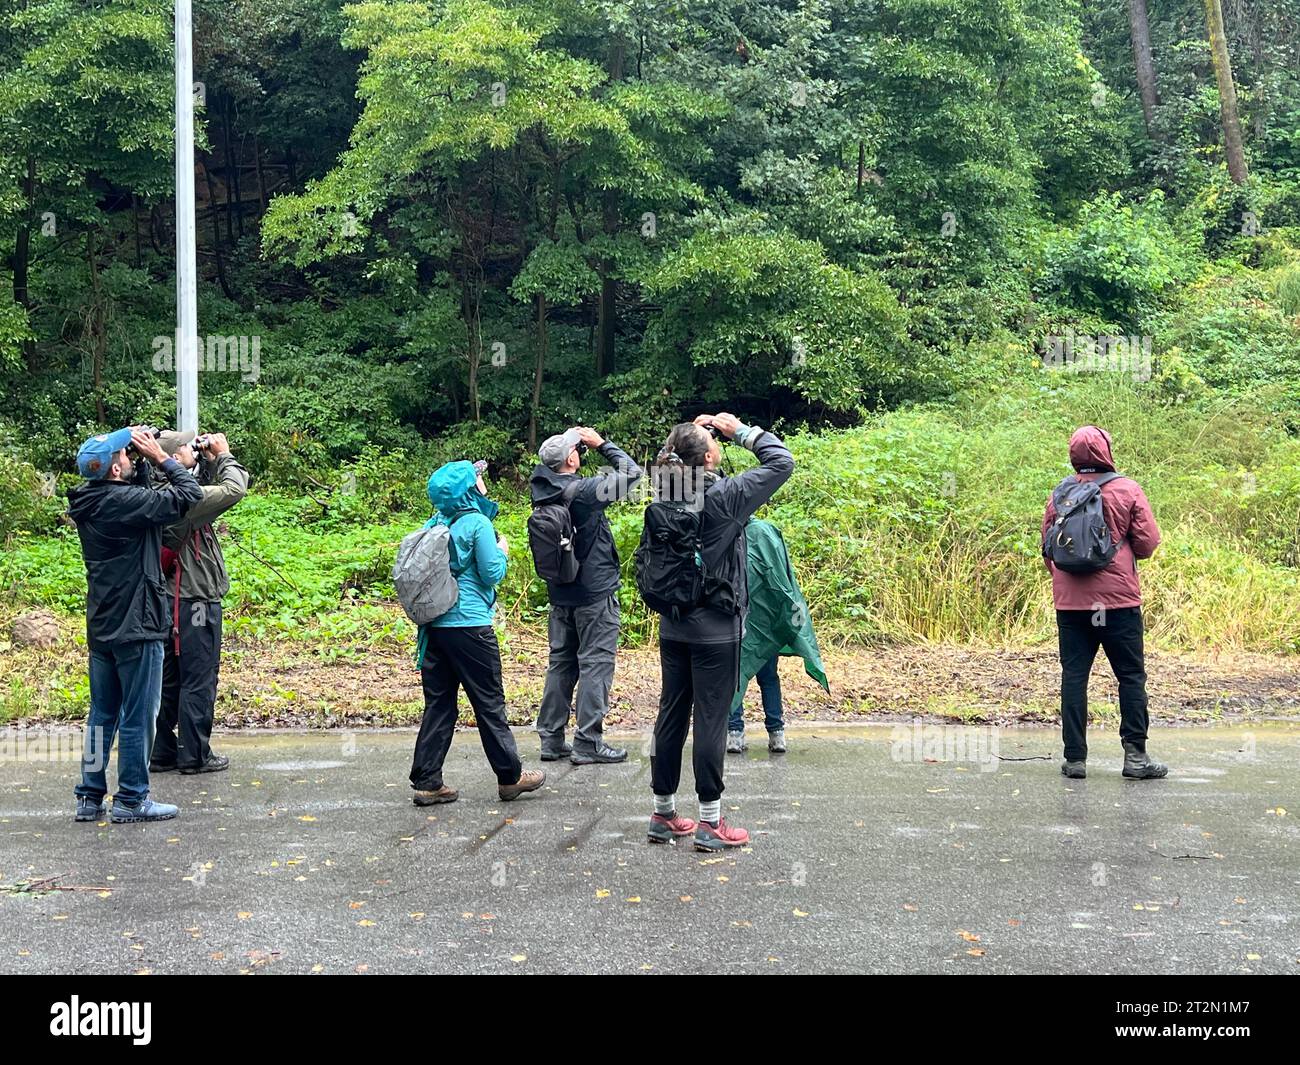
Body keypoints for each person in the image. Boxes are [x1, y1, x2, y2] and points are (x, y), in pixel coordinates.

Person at [642, 412, 794, 851]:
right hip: (716, 628)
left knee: (671, 712)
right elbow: (781, 461)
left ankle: (663, 812)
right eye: (714, 446)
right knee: (710, 717)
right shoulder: (726, 496)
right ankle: (711, 821)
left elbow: (673, 457)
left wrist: (689, 437)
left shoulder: (664, 491)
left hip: (673, 625)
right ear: (709, 457)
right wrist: (739, 430)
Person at [67, 426, 203, 823]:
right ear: (113, 470)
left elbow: (143, 499)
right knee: (137, 714)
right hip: (138, 624)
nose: (129, 456)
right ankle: (131, 798)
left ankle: (89, 797)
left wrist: (141, 459)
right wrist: (161, 457)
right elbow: (188, 496)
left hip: (103, 625)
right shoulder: (124, 501)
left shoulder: (92, 499)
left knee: (101, 715)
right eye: (123, 455)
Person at [408, 460, 545, 805]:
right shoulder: (477, 523)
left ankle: (427, 781)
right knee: (489, 703)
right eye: (478, 478)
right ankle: (510, 777)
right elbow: (491, 574)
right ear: (468, 489)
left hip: (434, 628)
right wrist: (502, 551)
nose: (483, 482)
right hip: (469, 626)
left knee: (439, 704)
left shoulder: (434, 523)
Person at [1041, 425, 1167, 780]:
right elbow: (1147, 544)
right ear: (1106, 450)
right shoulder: (1127, 489)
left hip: (1071, 605)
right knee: (1129, 676)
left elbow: (1048, 551)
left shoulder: (1060, 493)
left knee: (1074, 676)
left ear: (1074, 454)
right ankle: (1136, 758)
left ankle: (1075, 759)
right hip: (1118, 603)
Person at [529, 426, 643, 764]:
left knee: (561, 664)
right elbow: (632, 474)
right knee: (596, 665)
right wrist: (602, 443)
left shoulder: (542, 489)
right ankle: (588, 742)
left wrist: (573, 445)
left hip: (560, 592)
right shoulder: (586, 492)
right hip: (594, 594)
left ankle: (551, 739)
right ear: (571, 458)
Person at [150, 431, 250, 776]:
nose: (192, 447)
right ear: (174, 459)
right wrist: (222, 455)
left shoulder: (156, 493)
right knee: (199, 678)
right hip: (193, 601)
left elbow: (205, 493)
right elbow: (234, 489)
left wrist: (204, 463)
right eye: (185, 446)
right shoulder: (183, 501)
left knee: (168, 679)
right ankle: (195, 755)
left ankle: (162, 752)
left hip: (169, 600)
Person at [726, 517, 828, 754]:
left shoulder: (727, 529)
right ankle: (776, 734)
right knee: (768, 677)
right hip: (766, 620)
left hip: (739, 618)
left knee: (736, 674)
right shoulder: (766, 531)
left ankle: (735, 733)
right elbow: (783, 577)